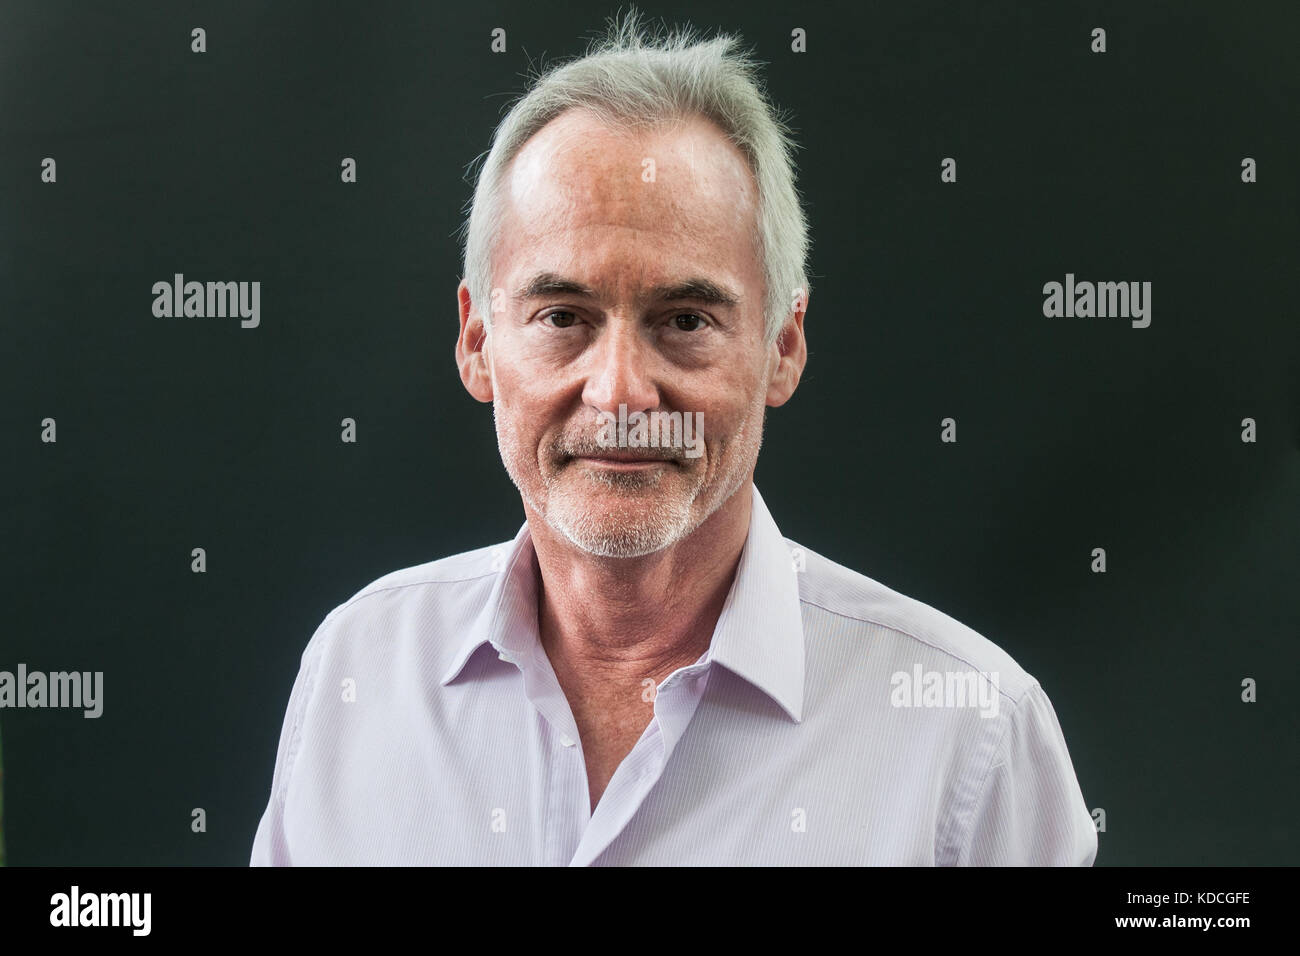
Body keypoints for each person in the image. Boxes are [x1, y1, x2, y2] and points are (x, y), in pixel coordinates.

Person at [251, 12, 1097, 866]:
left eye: (685, 318)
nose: (620, 390)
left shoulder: (971, 734)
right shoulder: (357, 670)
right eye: (562, 317)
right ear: (478, 344)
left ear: (782, 346)